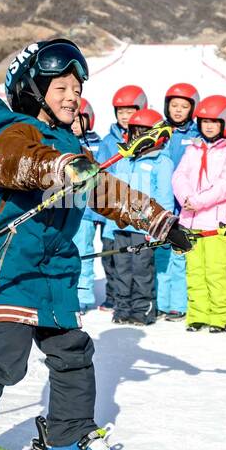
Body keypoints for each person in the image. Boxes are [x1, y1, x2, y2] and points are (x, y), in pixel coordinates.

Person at [0, 38, 191, 450]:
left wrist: (158, 219)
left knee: (72, 352)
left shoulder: (73, 147)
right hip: (10, 264)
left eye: (78, 87)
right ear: (34, 90)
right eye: (62, 87)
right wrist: (60, 166)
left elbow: (105, 191)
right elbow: (14, 165)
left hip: (55, 272)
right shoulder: (12, 131)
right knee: (4, 354)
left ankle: (68, 432)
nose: (74, 95)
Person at [173, 95, 226, 331]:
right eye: (204, 122)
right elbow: (179, 175)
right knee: (194, 270)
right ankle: (198, 313)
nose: (209, 126)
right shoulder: (194, 147)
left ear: (225, 122)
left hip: (216, 221)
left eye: (214, 122)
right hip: (191, 220)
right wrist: (186, 198)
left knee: (215, 271)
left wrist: (199, 201)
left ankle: (221, 315)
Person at [108, 108, 176, 324]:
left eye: (146, 133)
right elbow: (114, 194)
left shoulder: (161, 162)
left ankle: (142, 310)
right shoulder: (124, 160)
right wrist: (111, 226)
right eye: (136, 132)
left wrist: (160, 229)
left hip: (144, 228)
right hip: (122, 226)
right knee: (122, 270)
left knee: (141, 270)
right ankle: (122, 309)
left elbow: (165, 198)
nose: (140, 138)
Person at [97, 85, 148, 310]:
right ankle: (114, 296)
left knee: (137, 260)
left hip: (136, 207)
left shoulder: (145, 137)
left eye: (130, 111)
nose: (125, 116)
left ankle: (139, 301)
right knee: (111, 254)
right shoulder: (109, 140)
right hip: (112, 207)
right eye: (121, 112)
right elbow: (99, 172)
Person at [156, 82, 199, 321]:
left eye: (184, 106)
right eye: (174, 105)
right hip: (163, 201)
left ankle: (178, 303)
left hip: (185, 202)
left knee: (180, 253)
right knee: (161, 252)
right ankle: (161, 301)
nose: (179, 110)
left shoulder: (195, 134)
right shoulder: (160, 131)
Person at [73, 100, 105, 312]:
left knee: (83, 251)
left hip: (85, 212)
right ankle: (65, 291)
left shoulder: (98, 145)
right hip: (63, 208)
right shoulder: (61, 141)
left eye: (79, 120)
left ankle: (83, 294)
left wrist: (99, 214)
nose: (75, 124)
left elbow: (101, 178)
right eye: (72, 119)